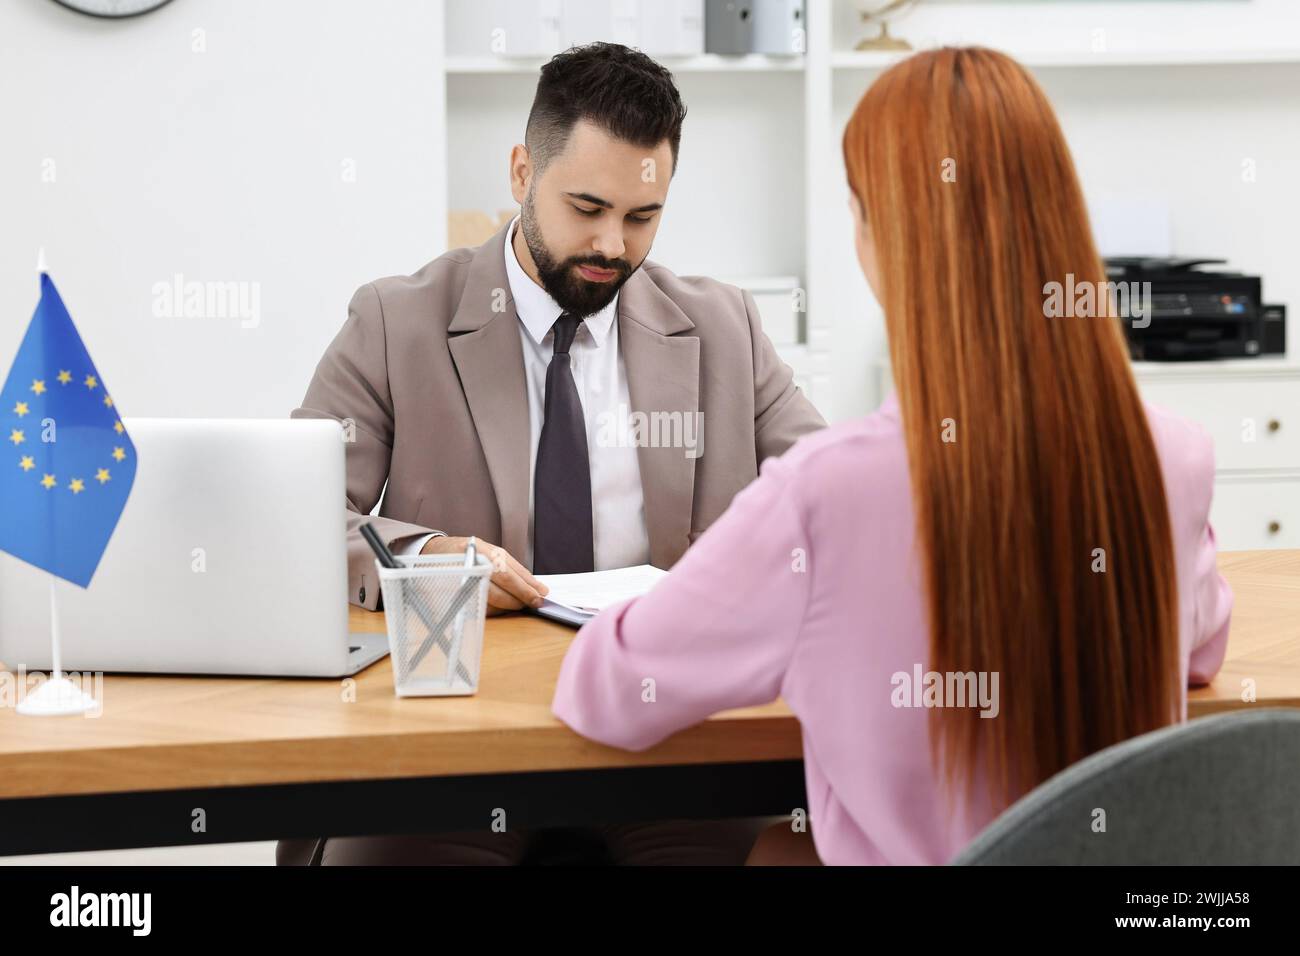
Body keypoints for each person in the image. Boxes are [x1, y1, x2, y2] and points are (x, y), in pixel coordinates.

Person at [551, 46, 1235, 866]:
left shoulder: (825, 493)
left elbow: (609, 693)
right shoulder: (1175, 457)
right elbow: (1199, 654)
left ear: (881, 235)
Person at [281, 42, 824, 866]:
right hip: (459, 742)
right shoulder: (399, 321)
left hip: (664, 738)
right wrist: (431, 558)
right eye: (587, 206)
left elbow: (829, 495)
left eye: (643, 218)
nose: (612, 243)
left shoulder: (725, 329)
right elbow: (300, 518)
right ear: (521, 173)